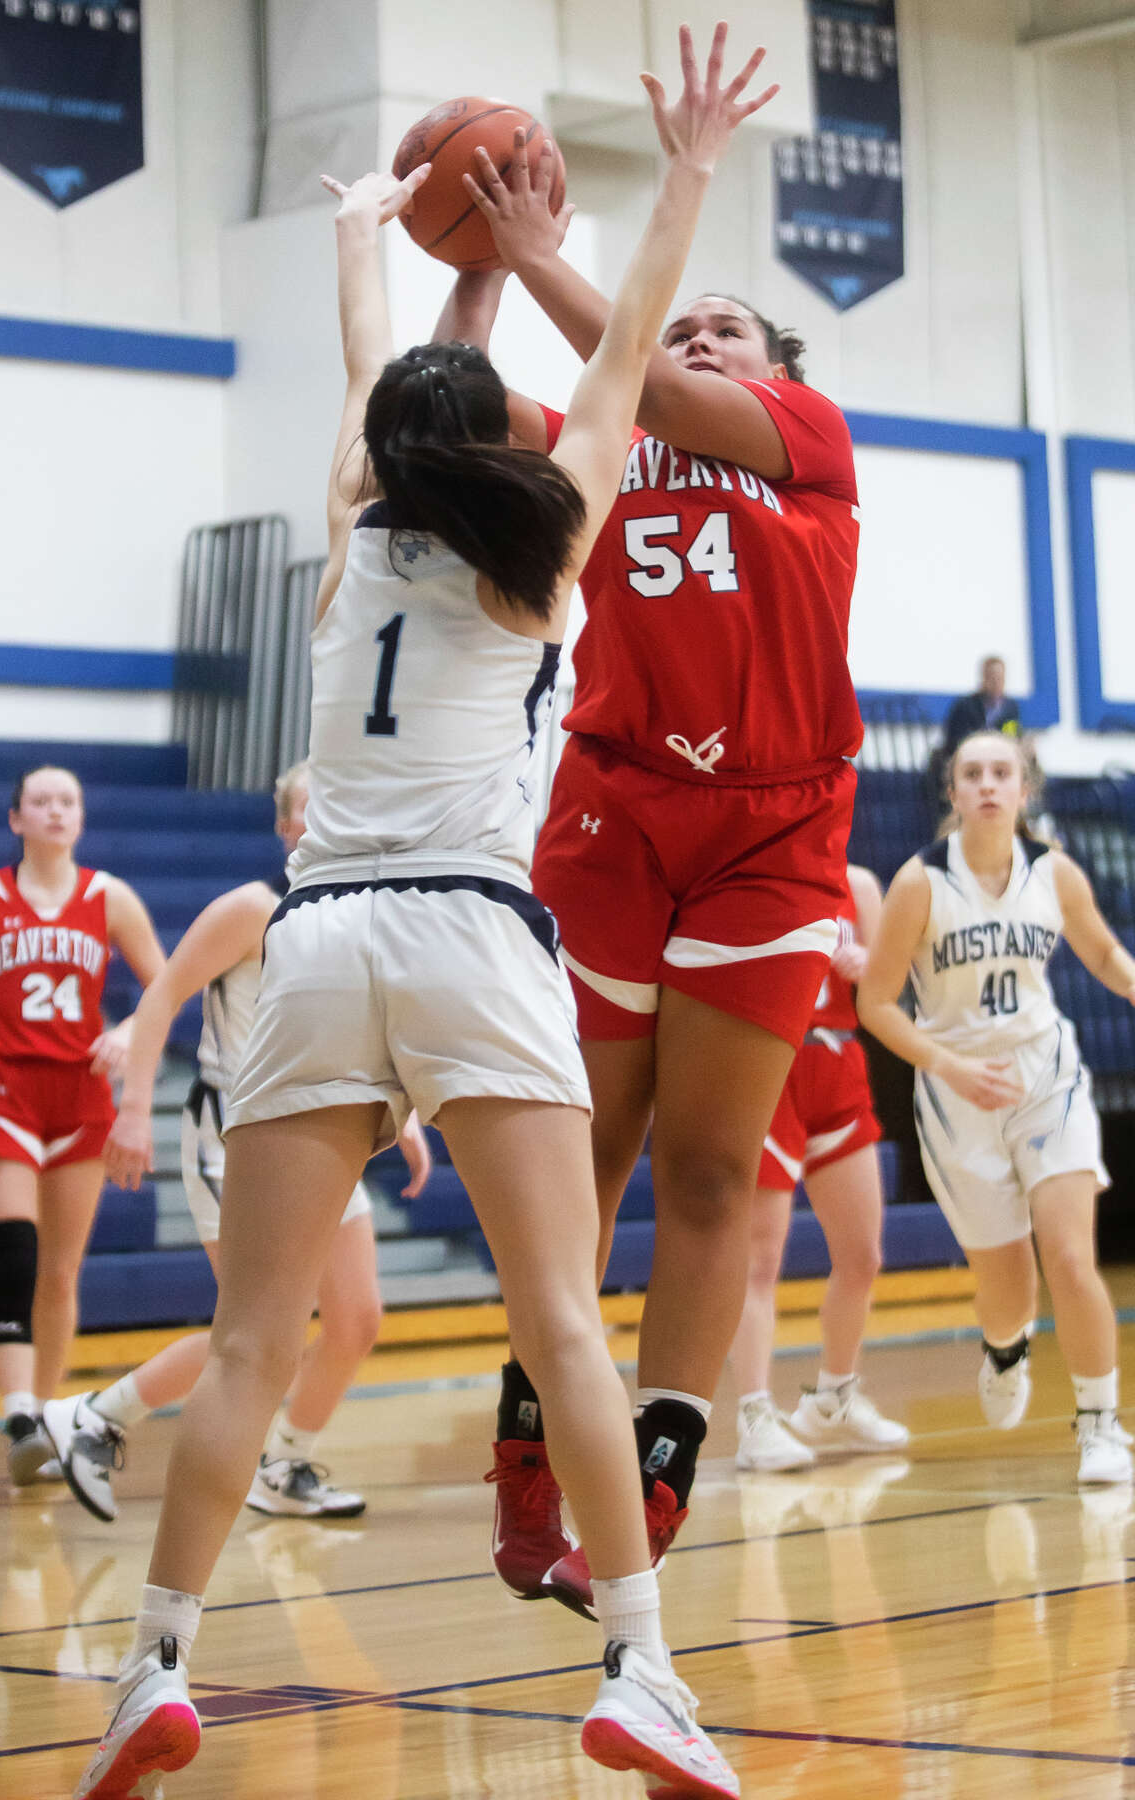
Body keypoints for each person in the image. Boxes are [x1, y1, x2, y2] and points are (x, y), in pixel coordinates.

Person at [73, 29, 767, 1800]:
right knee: (558, 1328)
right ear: (509, 451)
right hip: (469, 931)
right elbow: (617, 351)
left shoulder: (347, 542)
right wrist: (677, 171)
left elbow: (383, 377)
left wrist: (382, 235)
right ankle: (639, 1670)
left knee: (248, 1343)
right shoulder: (546, 548)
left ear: (381, 460)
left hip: (316, 945)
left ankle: (152, 1665)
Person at [441, 50, 861, 1618]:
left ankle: (667, 1457)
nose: (695, 336)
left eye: (724, 327)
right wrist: (472, 281)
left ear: (775, 371)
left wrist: (553, 248)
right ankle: (534, 1441)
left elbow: (659, 378)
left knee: (706, 1171)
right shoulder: (601, 446)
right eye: (681, 321)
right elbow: (453, 419)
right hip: (614, 811)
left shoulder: (803, 438)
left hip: (773, 831)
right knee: (585, 1159)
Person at [42, 762, 430, 1525]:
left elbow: (359, 1036)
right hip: (238, 1131)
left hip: (326, 1131)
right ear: (286, 826)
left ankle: (282, 1461)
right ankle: (97, 1415)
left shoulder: (364, 916)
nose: (330, 817)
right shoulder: (253, 907)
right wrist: (130, 1112)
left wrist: (407, 1122)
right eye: (312, 808)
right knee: (257, 1332)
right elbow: (160, 999)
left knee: (356, 1319)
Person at [856, 730, 1134, 1487]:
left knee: (1071, 1255)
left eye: (1000, 772)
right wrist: (948, 1065)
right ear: (953, 791)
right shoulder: (920, 883)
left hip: (1047, 1075)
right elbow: (875, 1003)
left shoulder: (1056, 873)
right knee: (1007, 1289)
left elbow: (1104, 955)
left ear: (1024, 788)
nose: (986, 784)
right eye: (972, 773)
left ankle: (1101, 1426)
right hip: (956, 1093)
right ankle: (1005, 1349)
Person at [0, 765, 165, 1483]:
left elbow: (166, 986)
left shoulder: (110, 897)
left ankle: (46, 1415)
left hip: (82, 1097)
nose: (57, 811)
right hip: (3, 1090)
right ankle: (18, 1413)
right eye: (42, 801)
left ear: (81, 818)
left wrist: (128, 1031)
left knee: (60, 1275)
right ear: (16, 819)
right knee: (16, 1258)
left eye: (68, 801)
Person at [727, 864, 909, 1471]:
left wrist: (871, 966)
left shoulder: (859, 884)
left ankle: (835, 1394)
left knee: (863, 1254)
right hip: (767, 1062)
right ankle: (754, 1414)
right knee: (760, 1259)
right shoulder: (752, 870)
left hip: (838, 1063)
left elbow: (889, 982)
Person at [943, 656, 1020, 759]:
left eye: (1000, 678)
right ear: (984, 678)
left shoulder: (1010, 708)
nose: (996, 683)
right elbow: (955, 740)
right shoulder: (965, 706)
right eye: (992, 678)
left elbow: (1012, 735)